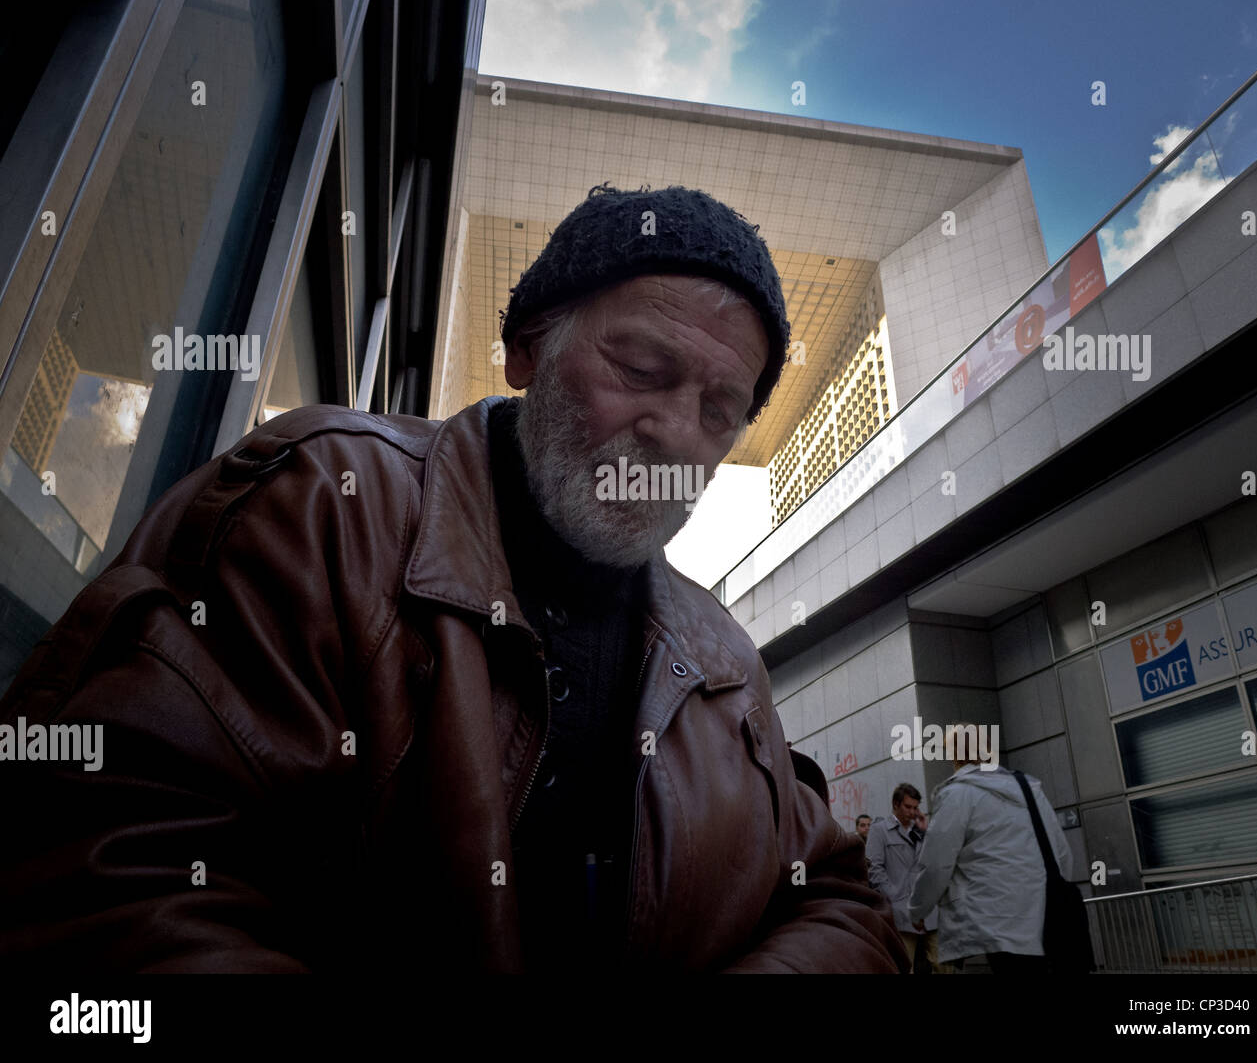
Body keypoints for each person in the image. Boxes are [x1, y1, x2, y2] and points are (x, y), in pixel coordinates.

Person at [0, 184, 908, 975]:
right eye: (640, 370)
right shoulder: (325, 505)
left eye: (720, 411)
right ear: (526, 350)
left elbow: (842, 903)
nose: (676, 432)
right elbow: (100, 866)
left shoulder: (724, 665)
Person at [907, 729, 1072, 973]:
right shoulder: (1029, 789)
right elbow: (1062, 855)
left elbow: (936, 864)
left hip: (996, 922)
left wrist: (918, 909)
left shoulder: (957, 794)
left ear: (955, 757)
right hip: (1044, 918)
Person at [865, 783, 942, 973]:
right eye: (908, 807)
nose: (912, 812)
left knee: (942, 963)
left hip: (928, 910)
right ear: (896, 804)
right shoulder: (880, 830)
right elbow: (875, 869)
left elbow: (934, 862)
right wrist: (894, 898)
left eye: (915, 807)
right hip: (901, 910)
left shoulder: (920, 830)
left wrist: (925, 833)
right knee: (904, 965)